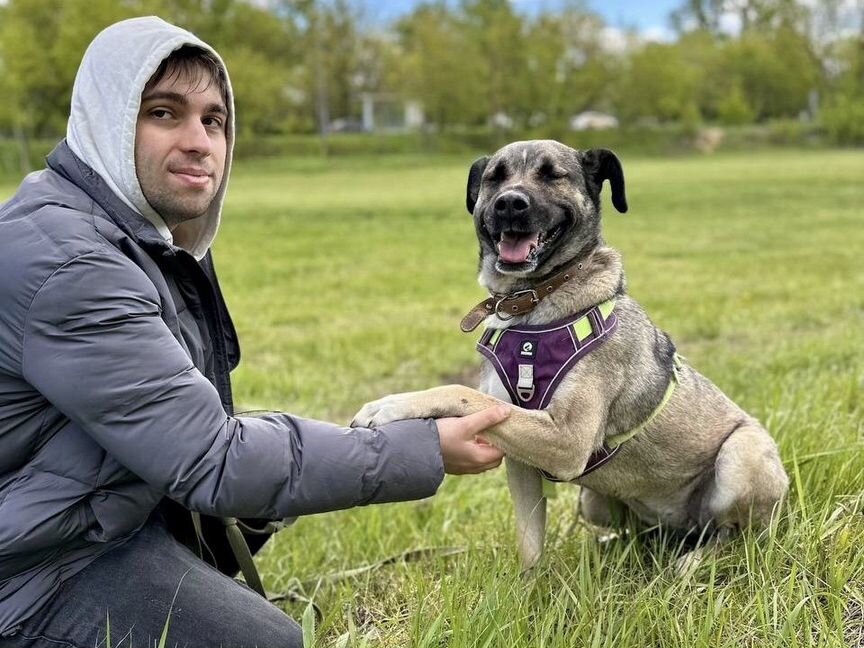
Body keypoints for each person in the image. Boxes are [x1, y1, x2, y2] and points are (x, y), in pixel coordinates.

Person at [0, 16, 507, 648]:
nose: (199, 142)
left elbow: (183, 425)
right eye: (163, 113)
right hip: (29, 571)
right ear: (106, 118)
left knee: (252, 510)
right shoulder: (70, 263)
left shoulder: (135, 234)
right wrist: (423, 449)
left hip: (79, 521)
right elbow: (212, 459)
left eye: (213, 120)